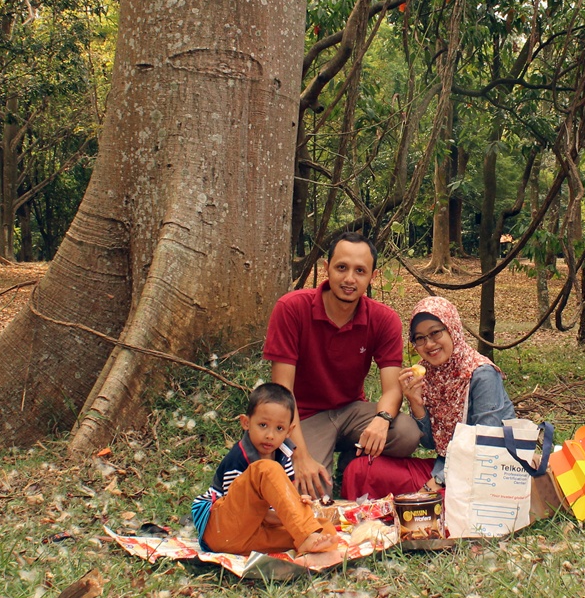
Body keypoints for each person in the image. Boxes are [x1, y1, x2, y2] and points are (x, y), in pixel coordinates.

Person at [264, 231, 422, 497]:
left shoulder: (383, 319)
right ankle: (302, 462)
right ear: (326, 269)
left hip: (351, 412)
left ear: (372, 277)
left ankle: (351, 464)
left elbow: (392, 389)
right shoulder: (292, 308)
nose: (350, 279)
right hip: (303, 417)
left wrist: (382, 420)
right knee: (313, 495)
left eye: (360, 271)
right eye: (341, 268)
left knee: (406, 433)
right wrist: (300, 457)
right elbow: (282, 394)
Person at [341, 295, 516, 499]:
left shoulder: (481, 374)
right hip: (445, 467)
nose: (429, 344)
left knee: (430, 500)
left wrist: (437, 482)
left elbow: (486, 445)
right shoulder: (428, 372)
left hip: (484, 475)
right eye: (420, 338)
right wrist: (416, 404)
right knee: (360, 469)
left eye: (435, 333)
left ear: (453, 329)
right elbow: (434, 444)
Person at [190, 382, 337, 555]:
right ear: (246, 423)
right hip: (221, 530)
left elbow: (280, 503)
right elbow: (241, 512)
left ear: (289, 431)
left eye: (279, 428)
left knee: (323, 529)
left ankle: (307, 540)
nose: (270, 435)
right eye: (263, 425)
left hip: (250, 538)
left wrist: (297, 504)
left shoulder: (284, 455)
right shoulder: (239, 457)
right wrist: (292, 514)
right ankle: (305, 536)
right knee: (266, 470)